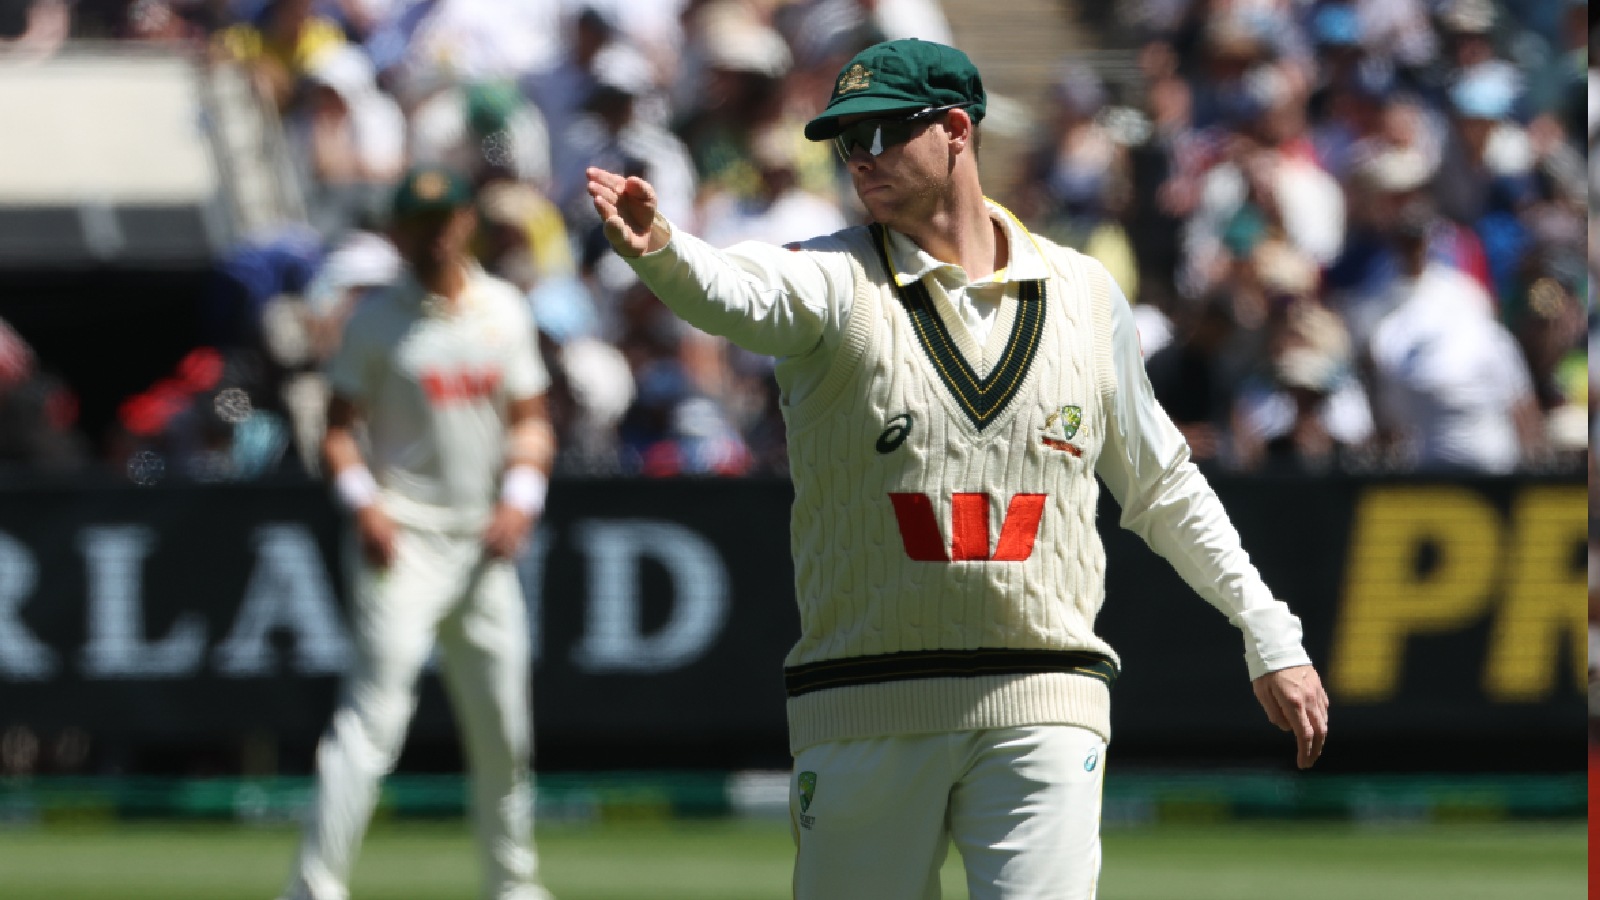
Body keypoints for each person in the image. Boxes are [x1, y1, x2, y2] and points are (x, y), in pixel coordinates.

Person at [587, 38, 1328, 900]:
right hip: (863, 700)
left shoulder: (1084, 295)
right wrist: (664, 249)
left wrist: (1267, 629)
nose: (859, 159)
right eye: (845, 141)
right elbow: (738, 290)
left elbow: (1163, 483)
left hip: (1045, 693)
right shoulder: (834, 280)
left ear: (954, 130)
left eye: (880, 134)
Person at [278, 166, 557, 900]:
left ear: (465, 223)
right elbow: (337, 432)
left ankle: (513, 886)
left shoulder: (504, 310)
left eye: (444, 219)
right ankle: (314, 887)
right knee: (371, 724)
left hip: (483, 548)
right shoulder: (375, 321)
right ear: (399, 232)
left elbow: (531, 422)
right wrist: (364, 505)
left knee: (503, 730)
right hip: (400, 543)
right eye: (418, 222)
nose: (434, 235)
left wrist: (520, 500)